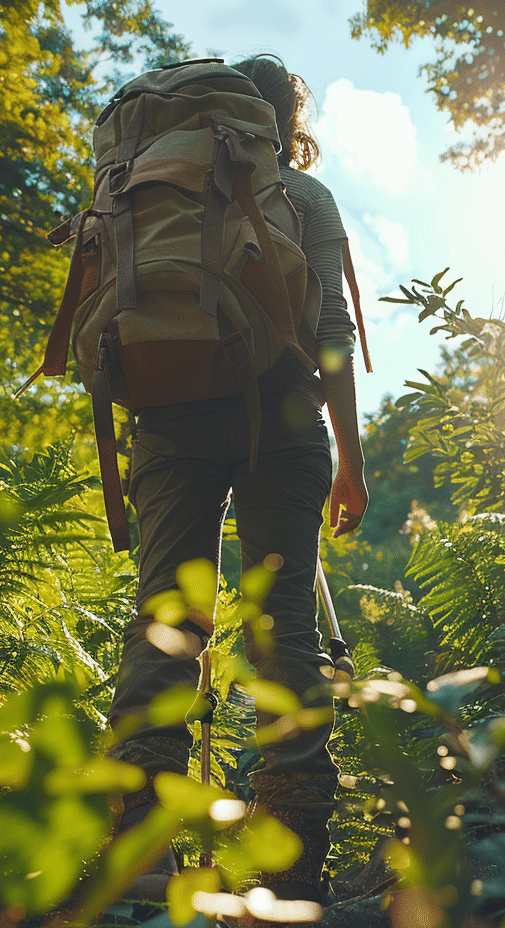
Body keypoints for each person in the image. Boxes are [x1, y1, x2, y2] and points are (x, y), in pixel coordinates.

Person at [104, 54, 368, 909]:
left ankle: (140, 854)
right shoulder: (305, 197)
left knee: (165, 620)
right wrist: (351, 465)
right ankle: (290, 863)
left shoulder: (156, 176)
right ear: (284, 124)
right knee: (281, 631)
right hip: (284, 423)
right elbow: (329, 333)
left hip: (168, 416)